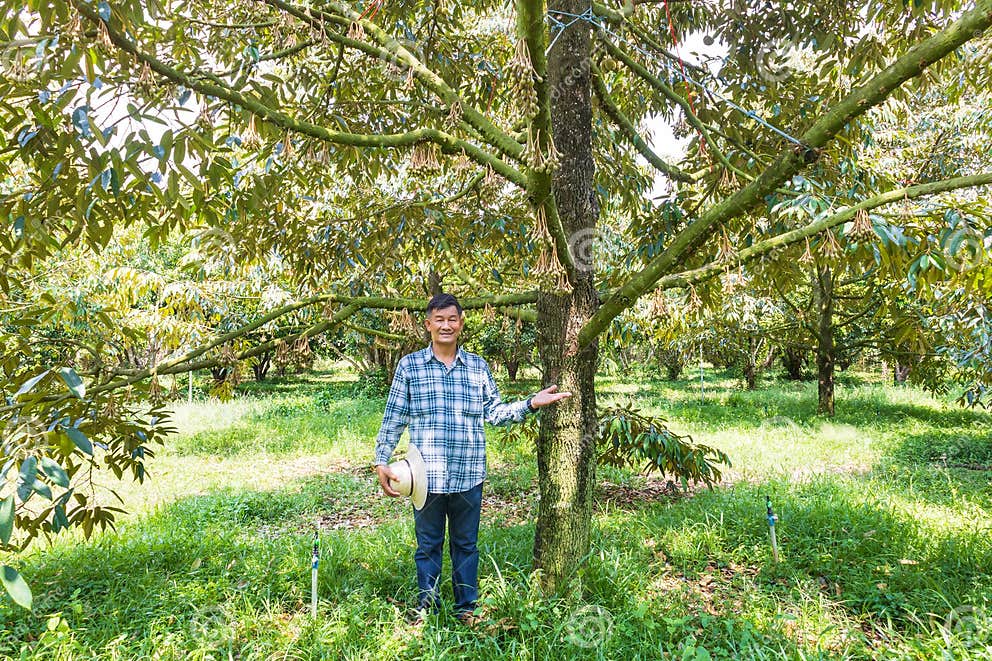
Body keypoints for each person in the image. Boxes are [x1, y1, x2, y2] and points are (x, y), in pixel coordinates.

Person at [372, 293, 571, 624]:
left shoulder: (478, 367)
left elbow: (493, 412)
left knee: (466, 546)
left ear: (461, 324)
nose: (446, 325)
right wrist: (382, 460)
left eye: (452, 319)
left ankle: (467, 608)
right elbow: (394, 416)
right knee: (428, 547)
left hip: (468, 475)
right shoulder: (410, 367)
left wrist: (530, 403)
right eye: (439, 319)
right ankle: (428, 607)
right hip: (426, 478)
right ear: (428, 325)